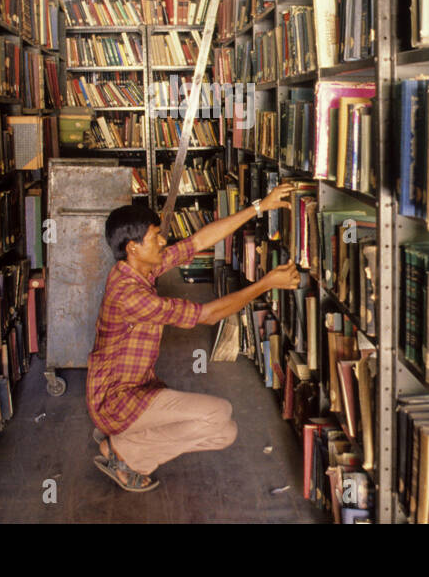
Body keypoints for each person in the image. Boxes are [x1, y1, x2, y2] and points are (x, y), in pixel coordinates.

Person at [86, 182, 301, 492]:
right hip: (115, 402)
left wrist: (259, 207)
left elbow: (198, 239)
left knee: (225, 432)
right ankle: (125, 453)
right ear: (133, 247)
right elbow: (209, 315)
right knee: (219, 412)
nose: (162, 241)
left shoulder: (137, 267)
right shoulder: (129, 295)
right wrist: (266, 284)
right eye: (154, 237)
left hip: (136, 388)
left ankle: (120, 445)